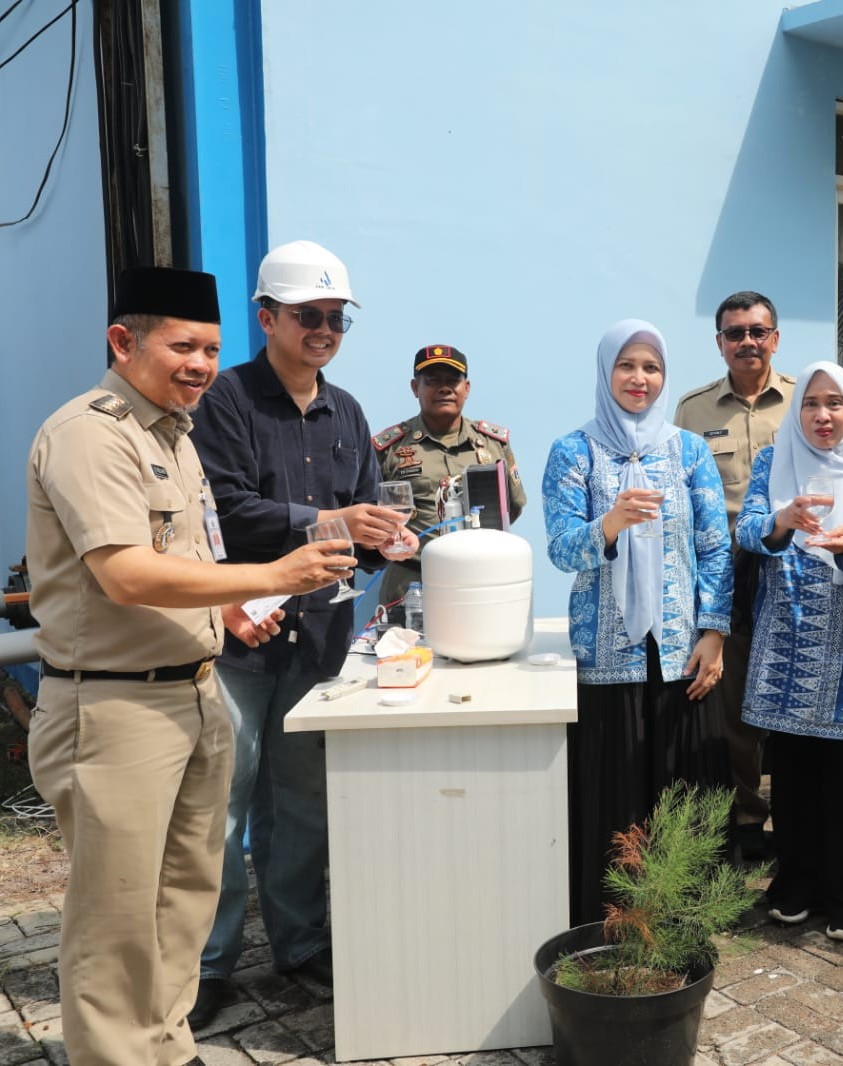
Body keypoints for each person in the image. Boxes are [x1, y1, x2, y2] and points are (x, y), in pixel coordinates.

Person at [26, 267, 355, 1065]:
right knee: (118, 918)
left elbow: (186, 558)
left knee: (182, 903)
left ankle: (167, 1048)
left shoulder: (172, 434)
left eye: (210, 348)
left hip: (194, 693)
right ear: (123, 342)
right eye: (183, 347)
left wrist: (228, 607)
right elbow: (124, 573)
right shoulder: (91, 434)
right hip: (115, 709)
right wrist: (273, 574)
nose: (201, 365)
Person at [187, 241, 417, 1028]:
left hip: (319, 637)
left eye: (337, 318)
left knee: (302, 803)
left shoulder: (346, 410)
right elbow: (222, 509)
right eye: (308, 315)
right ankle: (209, 963)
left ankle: (299, 944)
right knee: (221, 805)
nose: (325, 329)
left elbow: (362, 517)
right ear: (266, 318)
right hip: (241, 635)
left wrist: (385, 539)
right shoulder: (224, 400)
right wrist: (328, 520)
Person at [543, 319, 733, 926]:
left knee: (682, 791)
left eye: (652, 367)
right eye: (627, 365)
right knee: (616, 791)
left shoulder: (689, 450)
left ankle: (681, 920)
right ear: (606, 372)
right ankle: (615, 920)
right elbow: (561, 549)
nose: (639, 378)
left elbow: (715, 547)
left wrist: (714, 633)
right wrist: (610, 524)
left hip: (680, 653)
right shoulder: (573, 451)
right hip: (609, 656)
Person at [737, 361, 843, 943]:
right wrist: (780, 520)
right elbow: (746, 531)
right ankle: (797, 885)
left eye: (834, 403)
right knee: (796, 780)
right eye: (811, 403)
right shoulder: (772, 464)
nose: (823, 415)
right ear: (797, 412)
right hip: (788, 650)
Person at [674, 291, 795, 862]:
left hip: (794, 571)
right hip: (729, 573)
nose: (747, 341)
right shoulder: (694, 410)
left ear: (775, 338)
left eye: (757, 331)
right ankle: (748, 816)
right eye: (735, 333)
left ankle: (799, 817)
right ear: (719, 342)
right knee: (737, 705)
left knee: (794, 701)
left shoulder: (805, 399)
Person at [372, 343, 527, 608]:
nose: (444, 388)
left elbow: (512, 507)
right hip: (411, 583)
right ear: (415, 388)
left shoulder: (493, 444)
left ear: (466, 388)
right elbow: (369, 513)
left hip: (479, 579)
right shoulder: (389, 449)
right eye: (433, 381)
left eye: (453, 381)